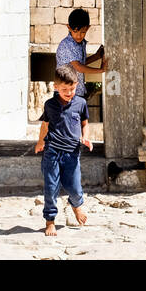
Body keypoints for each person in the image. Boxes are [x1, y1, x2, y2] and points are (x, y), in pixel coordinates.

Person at [34, 63, 92, 236]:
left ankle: (76, 205)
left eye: (73, 89)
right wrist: (40, 142)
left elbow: (85, 124)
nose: (69, 93)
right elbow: (45, 125)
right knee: (51, 188)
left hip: (72, 153)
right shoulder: (50, 105)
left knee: (74, 187)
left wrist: (86, 137)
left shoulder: (80, 103)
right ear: (56, 87)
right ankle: (50, 220)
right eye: (65, 89)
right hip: (52, 151)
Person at [55, 7, 108, 100]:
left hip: (77, 93)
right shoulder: (67, 44)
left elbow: (79, 63)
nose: (79, 35)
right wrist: (101, 70)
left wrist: (96, 56)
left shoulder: (80, 43)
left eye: (83, 32)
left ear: (88, 28)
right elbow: (78, 67)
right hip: (65, 95)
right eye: (75, 31)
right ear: (69, 27)